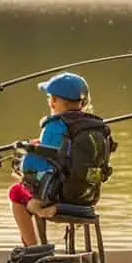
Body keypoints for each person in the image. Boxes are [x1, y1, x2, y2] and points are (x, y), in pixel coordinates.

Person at [9, 72, 91, 247]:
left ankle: (33, 248)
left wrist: (26, 158)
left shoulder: (53, 126)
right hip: (86, 195)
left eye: (49, 97)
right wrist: (41, 147)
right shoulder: (89, 127)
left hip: (58, 196)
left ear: (53, 101)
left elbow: (39, 166)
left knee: (16, 193)